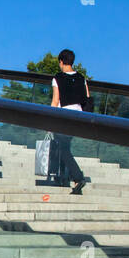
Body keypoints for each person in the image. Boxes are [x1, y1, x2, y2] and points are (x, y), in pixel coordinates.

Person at [48, 49, 90, 195]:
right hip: (78, 117)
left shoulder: (58, 78)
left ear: (61, 61)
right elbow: (87, 98)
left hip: (63, 116)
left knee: (63, 149)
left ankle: (77, 177)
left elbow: (55, 100)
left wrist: (48, 120)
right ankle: (68, 179)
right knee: (65, 146)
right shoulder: (81, 78)